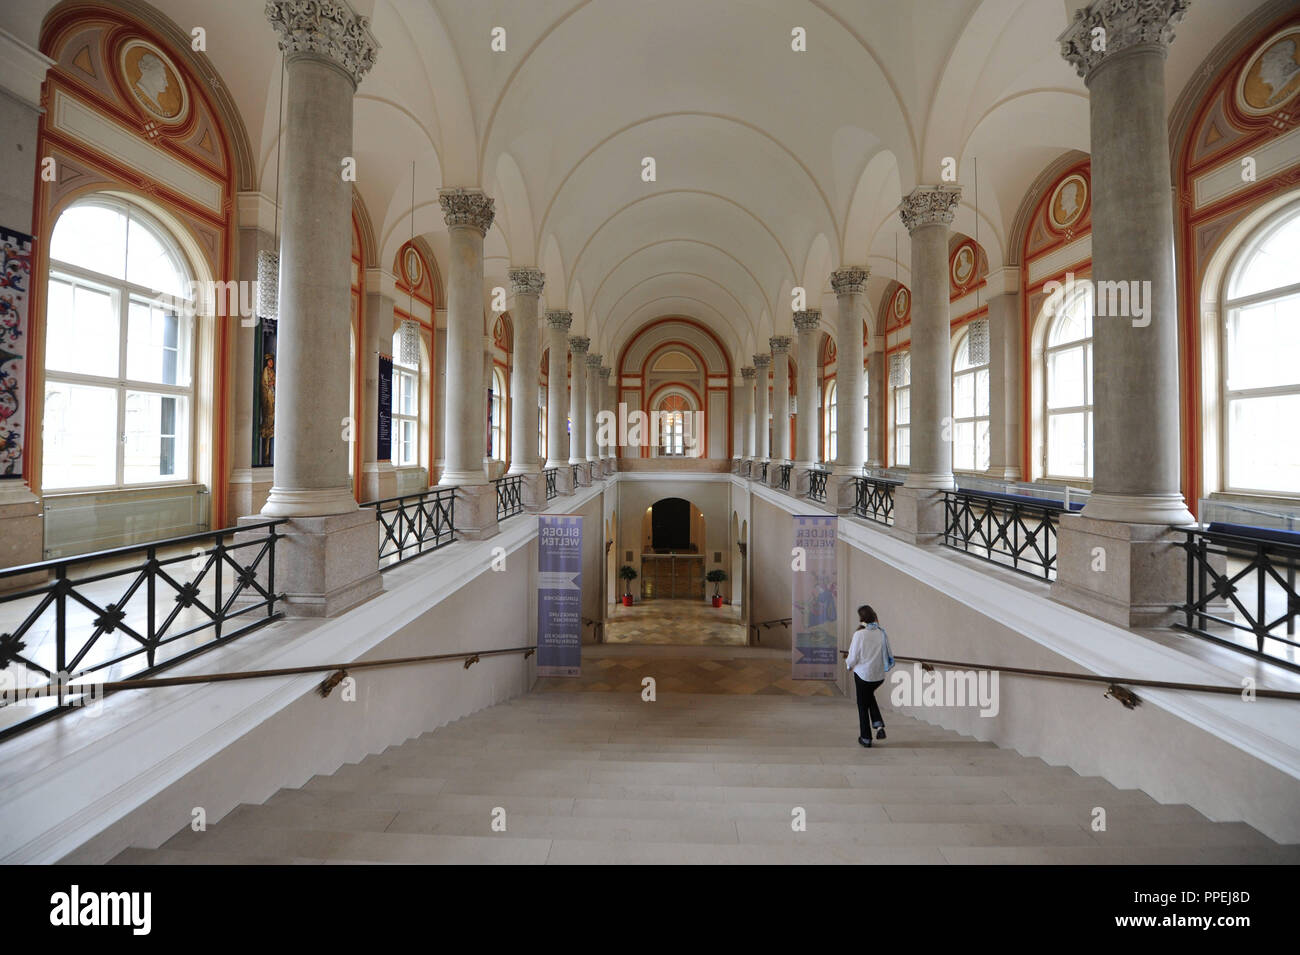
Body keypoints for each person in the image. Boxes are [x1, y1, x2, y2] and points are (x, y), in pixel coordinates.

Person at [845, 604, 893, 748]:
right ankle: (878, 726)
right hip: (878, 677)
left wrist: (848, 665)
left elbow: (853, 656)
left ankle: (866, 738)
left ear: (861, 619)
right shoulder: (881, 633)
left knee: (862, 705)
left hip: (863, 675)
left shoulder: (859, 634)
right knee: (868, 696)